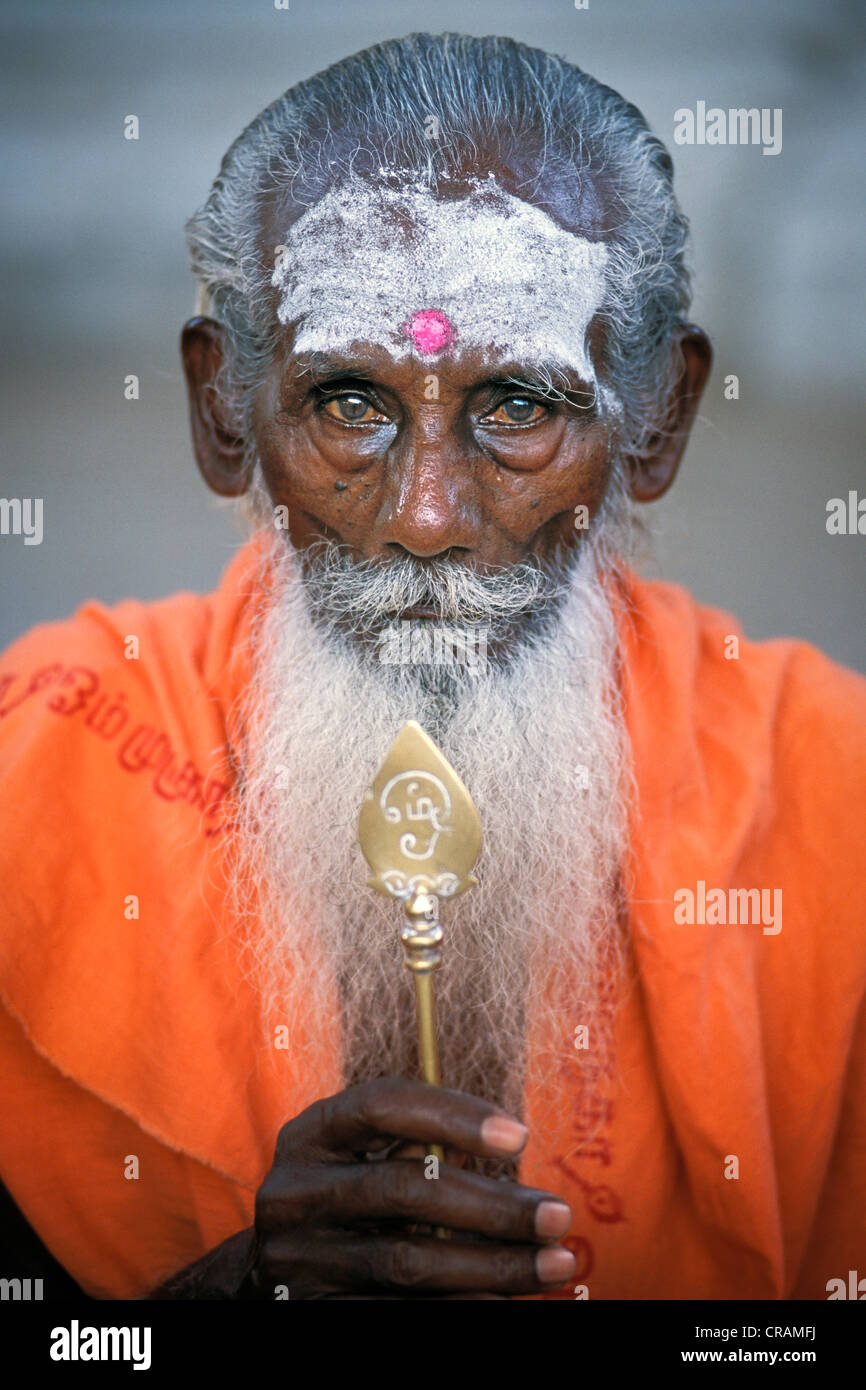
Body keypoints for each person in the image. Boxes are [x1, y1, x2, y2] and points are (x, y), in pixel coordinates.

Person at [1, 33, 863, 1302]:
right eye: (349, 401)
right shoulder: (40, 767)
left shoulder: (830, 792)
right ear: (223, 415)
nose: (422, 515)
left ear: (658, 423)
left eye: (516, 405)